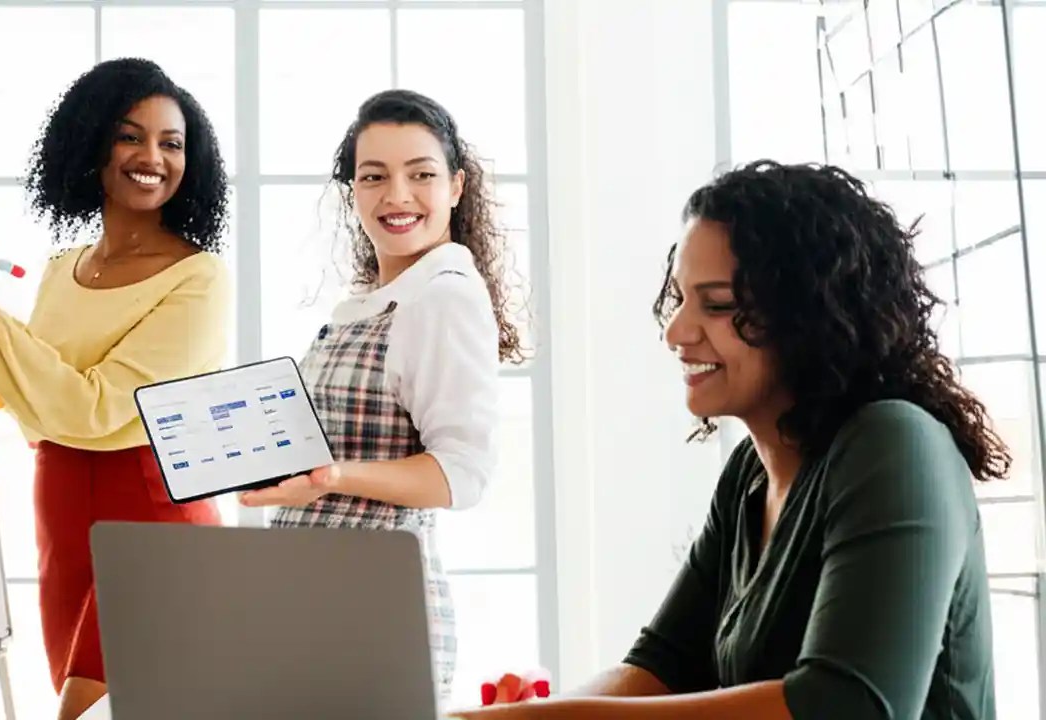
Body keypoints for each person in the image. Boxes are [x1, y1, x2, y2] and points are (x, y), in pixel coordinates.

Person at [451, 161, 1006, 719]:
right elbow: (659, 667)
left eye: (716, 304)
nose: (677, 331)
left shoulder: (895, 446)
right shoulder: (750, 474)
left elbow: (848, 707)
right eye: (681, 299)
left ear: (810, 313)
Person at [0, 58, 232, 720]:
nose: (152, 157)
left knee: (86, 711)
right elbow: (30, 411)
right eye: (131, 136)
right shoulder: (59, 270)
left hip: (154, 521)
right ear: (92, 142)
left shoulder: (200, 278)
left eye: (172, 142)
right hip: (61, 512)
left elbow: (98, 408)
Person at [237, 88, 526, 705]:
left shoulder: (443, 296)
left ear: (456, 186)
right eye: (374, 177)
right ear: (353, 192)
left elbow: (460, 475)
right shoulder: (374, 300)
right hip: (313, 603)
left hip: (371, 616)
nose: (397, 196)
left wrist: (327, 477)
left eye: (420, 174)